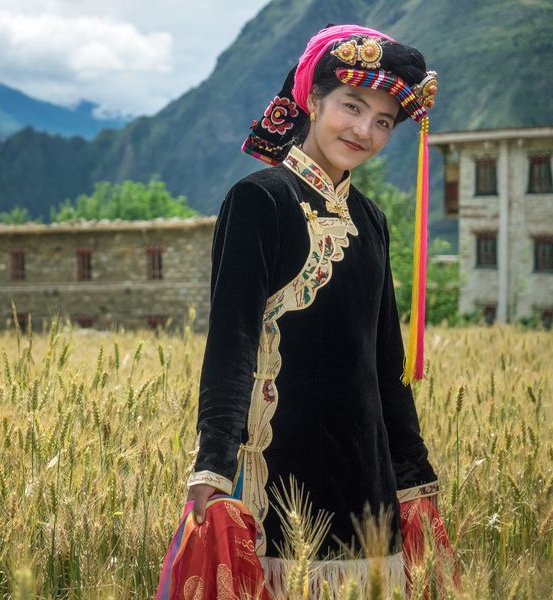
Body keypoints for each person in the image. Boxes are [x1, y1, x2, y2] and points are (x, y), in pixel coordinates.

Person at [183, 23, 441, 597]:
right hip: (280, 475)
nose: (363, 130)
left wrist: (414, 476)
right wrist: (215, 463)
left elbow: (385, 362)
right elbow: (232, 342)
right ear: (313, 99)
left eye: (383, 122)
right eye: (352, 106)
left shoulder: (370, 219)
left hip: (367, 487)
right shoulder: (259, 199)